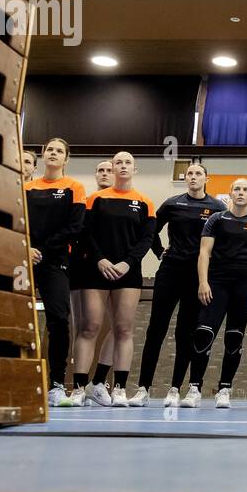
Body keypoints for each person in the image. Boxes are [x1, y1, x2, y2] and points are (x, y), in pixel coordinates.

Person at [130, 161, 225, 407]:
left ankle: (175, 388)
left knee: (185, 333)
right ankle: (143, 388)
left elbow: (223, 242)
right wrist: (160, 251)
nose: (193, 177)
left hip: (196, 277)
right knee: (156, 329)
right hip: (170, 271)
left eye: (198, 174)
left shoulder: (217, 207)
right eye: (190, 173)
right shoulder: (172, 203)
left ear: (207, 179)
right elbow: (150, 230)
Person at [69, 151, 155, 407]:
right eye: (118, 162)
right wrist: (100, 259)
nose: (123, 166)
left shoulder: (144, 203)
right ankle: (78, 389)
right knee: (89, 327)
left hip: (128, 273)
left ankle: (119, 388)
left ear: (135, 169)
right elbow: (85, 233)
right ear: (113, 168)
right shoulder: (95, 199)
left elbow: (147, 239)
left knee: (123, 329)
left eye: (128, 162)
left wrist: (127, 263)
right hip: (95, 270)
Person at [187, 178, 247, 408]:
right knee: (204, 333)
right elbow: (204, 253)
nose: (241, 193)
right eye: (237, 189)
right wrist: (203, 282)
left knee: (234, 337)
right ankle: (194, 388)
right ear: (230, 193)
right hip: (217, 283)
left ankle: (224, 389)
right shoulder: (216, 219)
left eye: (246, 190)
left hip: (244, 285)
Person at [24, 138, 85, 406]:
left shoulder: (74, 187)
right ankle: (17, 380)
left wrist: (43, 250)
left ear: (66, 159)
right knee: (11, 316)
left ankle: (57, 384)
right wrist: (26, 248)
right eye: (50, 149)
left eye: (59, 151)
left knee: (59, 320)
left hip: (55, 261)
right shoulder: (27, 187)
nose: (53, 153)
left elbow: (75, 227)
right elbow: (17, 221)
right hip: (24, 260)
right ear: (43, 155)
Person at [69, 159, 117, 383]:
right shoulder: (85, 201)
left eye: (109, 170)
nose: (105, 173)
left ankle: (98, 381)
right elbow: (79, 235)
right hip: (85, 269)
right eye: (101, 170)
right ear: (96, 175)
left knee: (121, 327)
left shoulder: (128, 203)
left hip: (117, 271)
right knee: (84, 327)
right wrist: (96, 258)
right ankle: (78, 384)